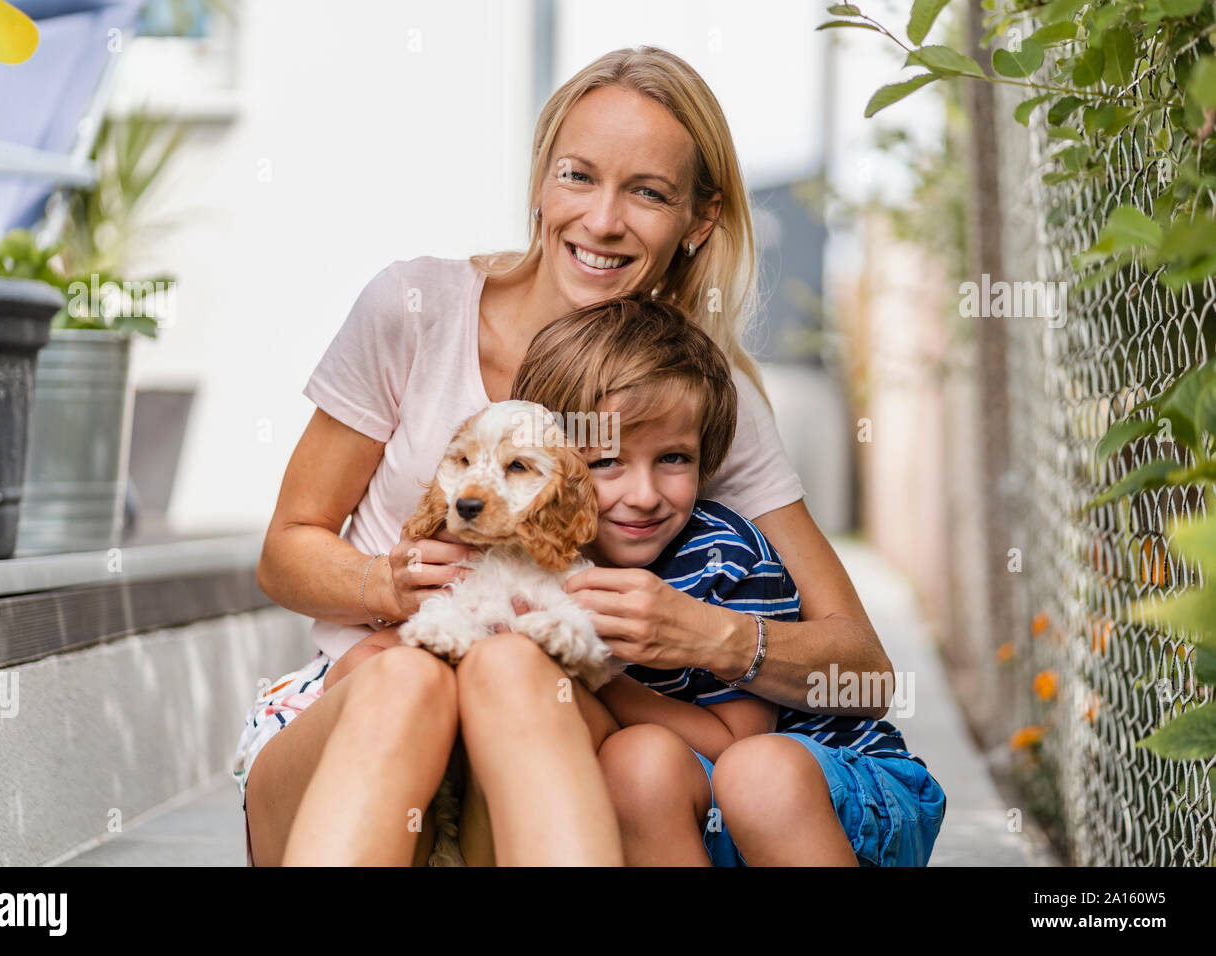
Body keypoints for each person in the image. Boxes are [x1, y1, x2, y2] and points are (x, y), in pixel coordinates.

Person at [235, 44, 905, 867]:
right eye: (578, 176)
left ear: (700, 220)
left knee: (518, 667)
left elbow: (864, 668)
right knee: (411, 681)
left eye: (649, 192)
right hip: (359, 718)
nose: (602, 220)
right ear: (540, 180)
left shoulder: (690, 393)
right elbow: (285, 548)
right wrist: (387, 584)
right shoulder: (415, 311)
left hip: (533, 746)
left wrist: (712, 635)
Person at [506, 294, 946, 866]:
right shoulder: (543, 563)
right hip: (705, 802)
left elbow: (739, 742)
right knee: (635, 763)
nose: (643, 496)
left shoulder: (722, 554)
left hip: (840, 792)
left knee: (754, 773)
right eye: (606, 462)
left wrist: (595, 672)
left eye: (673, 459)